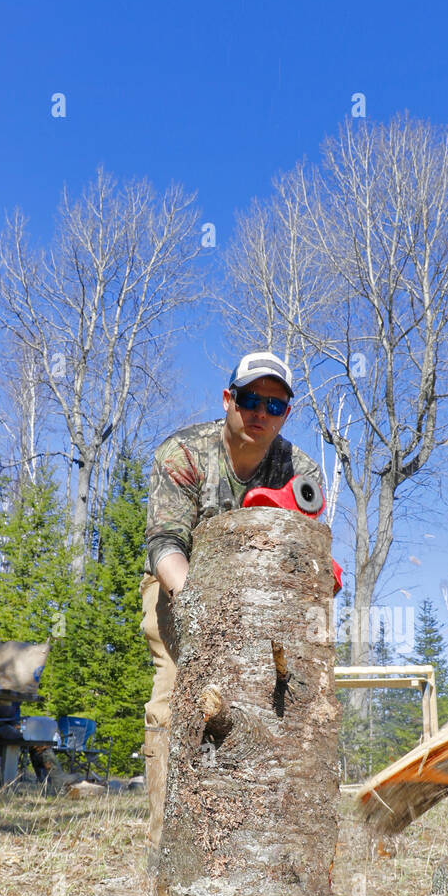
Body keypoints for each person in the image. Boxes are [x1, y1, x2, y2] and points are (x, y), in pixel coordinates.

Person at [140, 350, 324, 865]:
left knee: (276, 709)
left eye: (275, 404)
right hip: (182, 584)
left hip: (267, 601)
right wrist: (197, 604)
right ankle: (167, 848)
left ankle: (264, 852)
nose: (260, 413)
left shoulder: (300, 470)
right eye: (249, 399)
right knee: (177, 698)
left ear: (287, 412)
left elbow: (308, 554)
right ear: (228, 400)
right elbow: (164, 543)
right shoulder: (183, 454)